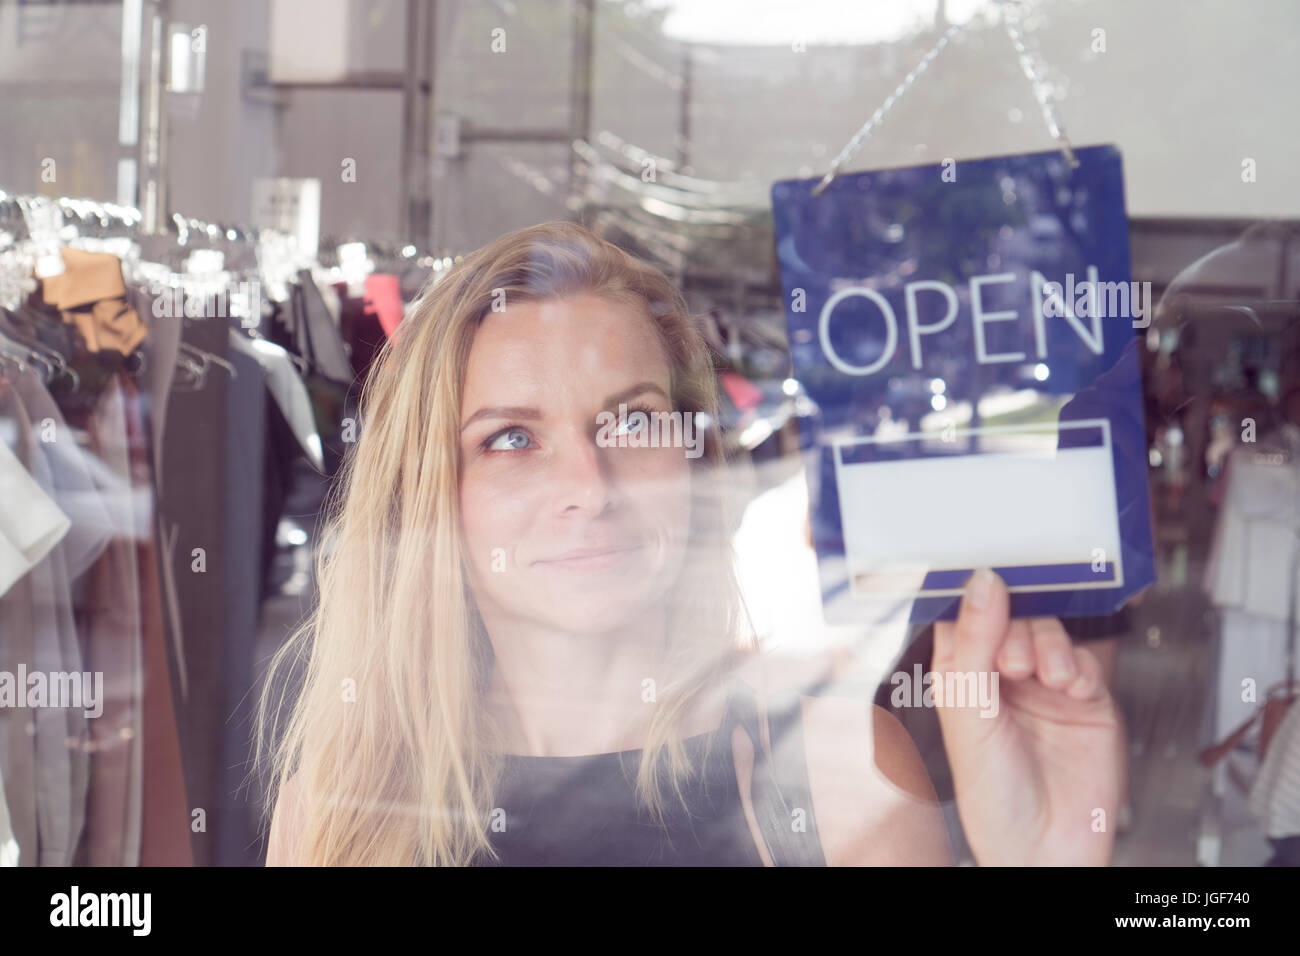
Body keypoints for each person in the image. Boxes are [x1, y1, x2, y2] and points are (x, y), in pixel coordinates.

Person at [259, 221, 1121, 866]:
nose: (589, 489)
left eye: (630, 421)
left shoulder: (834, 774)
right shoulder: (343, 810)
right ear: (431, 494)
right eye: (512, 439)